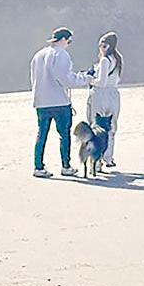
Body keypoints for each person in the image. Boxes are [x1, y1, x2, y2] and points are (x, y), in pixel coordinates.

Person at [30, 27, 90, 178]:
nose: (68, 44)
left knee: (42, 134)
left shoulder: (38, 54)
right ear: (63, 39)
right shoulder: (61, 54)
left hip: (41, 101)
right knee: (64, 135)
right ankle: (66, 166)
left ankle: (38, 167)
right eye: (69, 41)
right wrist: (85, 79)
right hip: (59, 101)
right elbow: (66, 79)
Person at [86, 32, 122, 168]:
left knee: (96, 126)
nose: (101, 47)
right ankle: (109, 157)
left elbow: (101, 82)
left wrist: (90, 79)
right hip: (114, 95)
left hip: (100, 95)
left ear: (109, 46)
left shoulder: (105, 60)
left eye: (104, 45)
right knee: (111, 126)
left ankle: (97, 160)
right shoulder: (117, 59)